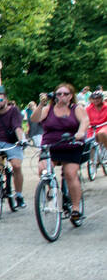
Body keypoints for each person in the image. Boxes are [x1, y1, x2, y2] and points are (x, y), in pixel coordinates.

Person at [30, 82, 89, 221]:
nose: (62, 96)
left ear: (71, 96)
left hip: (71, 145)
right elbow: (34, 119)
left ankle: (75, 208)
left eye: (65, 94)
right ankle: (54, 195)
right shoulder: (48, 108)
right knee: (43, 170)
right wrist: (40, 104)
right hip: (51, 146)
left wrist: (80, 132)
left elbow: (85, 121)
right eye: (59, 93)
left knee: (70, 174)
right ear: (54, 95)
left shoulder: (76, 108)